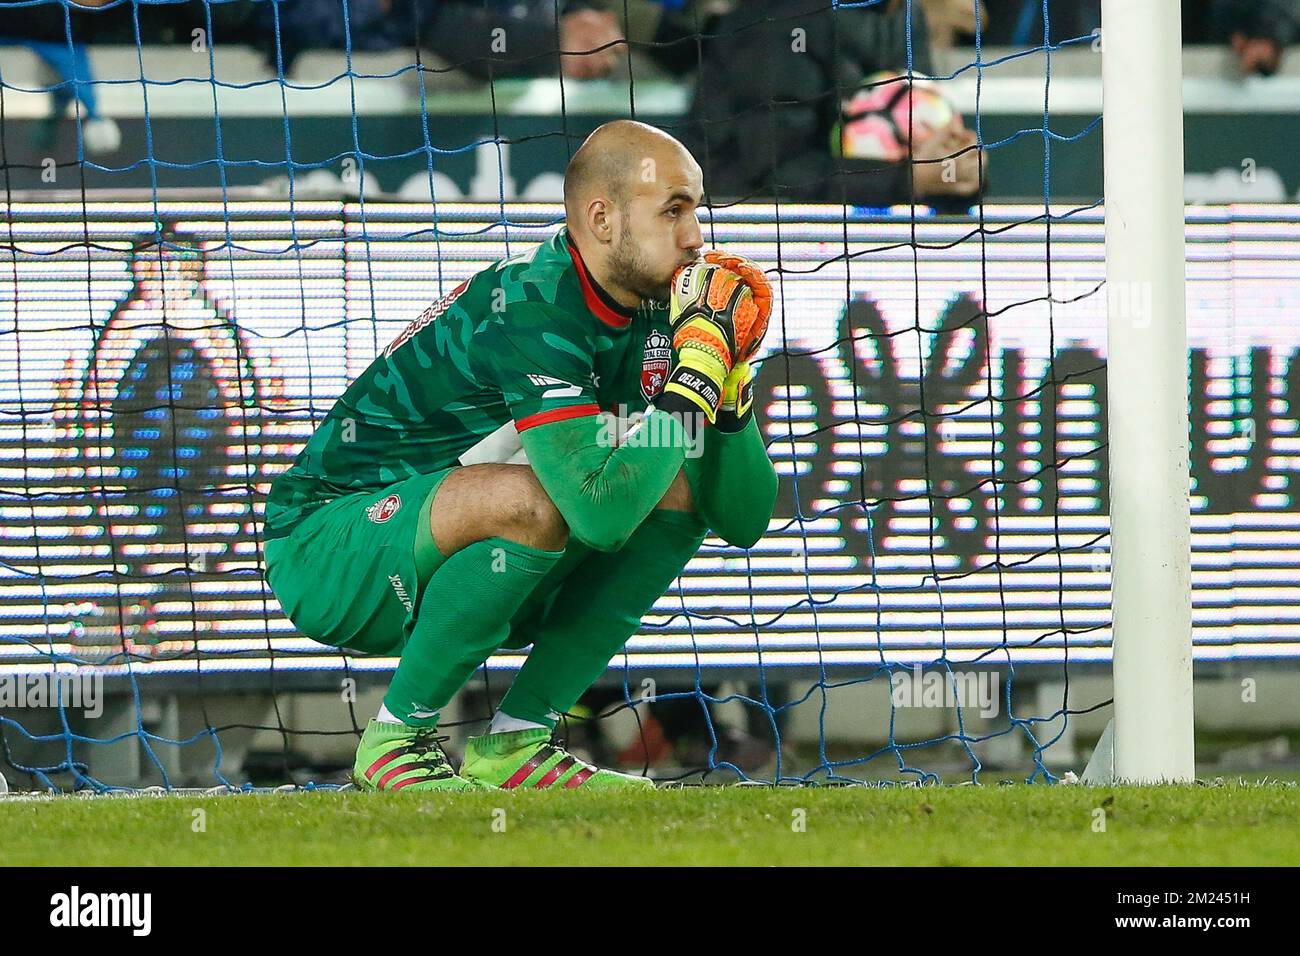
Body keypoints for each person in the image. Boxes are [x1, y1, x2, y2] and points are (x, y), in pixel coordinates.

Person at [263, 120, 778, 791]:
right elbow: (597, 516)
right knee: (542, 500)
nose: (695, 237)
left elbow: (742, 520)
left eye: (697, 212)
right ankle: (395, 741)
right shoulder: (534, 304)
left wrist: (726, 386)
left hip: (457, 552)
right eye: (673, 211)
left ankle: (516, 745)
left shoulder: (672, 314)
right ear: (601, 218)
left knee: (674, 487)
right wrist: (691, 386)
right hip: (329, 547)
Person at [679, 0, 984, 208]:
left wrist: (955, 170)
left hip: (874, 233)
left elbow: (915, 138)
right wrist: (911, 181)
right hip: (748, 240)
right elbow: (775, 178)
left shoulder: (903, 15)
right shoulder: (779, 23)